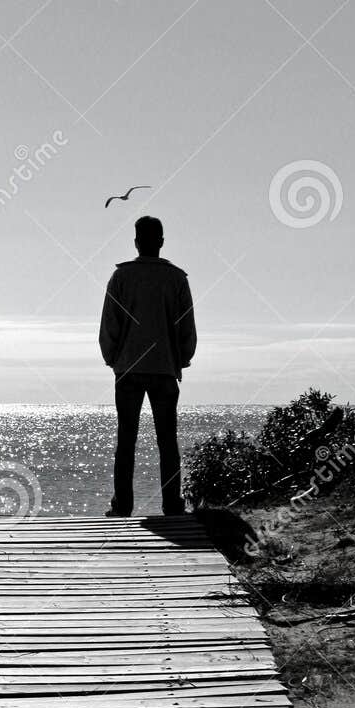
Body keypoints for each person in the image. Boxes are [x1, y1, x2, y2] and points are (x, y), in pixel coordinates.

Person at [98, 215, 196, 517]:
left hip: (128, 368)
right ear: (161, 242)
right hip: (164, 368)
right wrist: (181, 359)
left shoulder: (121, 278)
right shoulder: (177, 279)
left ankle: (122, 505)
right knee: (167, 440)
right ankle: (172, 504)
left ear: (136, 242)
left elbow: (109, 325)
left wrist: (113, 358)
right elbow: (186, 328)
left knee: (126, 439)